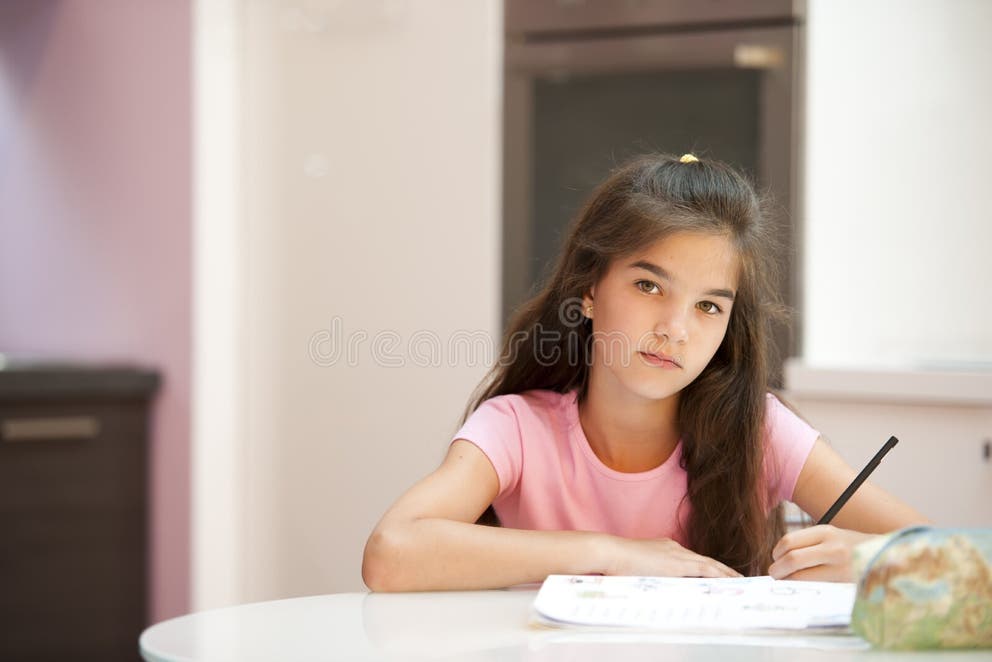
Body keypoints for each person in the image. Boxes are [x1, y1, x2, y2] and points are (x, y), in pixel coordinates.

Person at [361, 153, 929, 592]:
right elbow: (391, 553)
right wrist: (612, 554)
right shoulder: (515, 428)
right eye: (648, 286)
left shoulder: (757, 430)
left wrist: (869, 559)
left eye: (709, 306)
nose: (675, 329)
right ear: (589, 289)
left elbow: (957, 557)